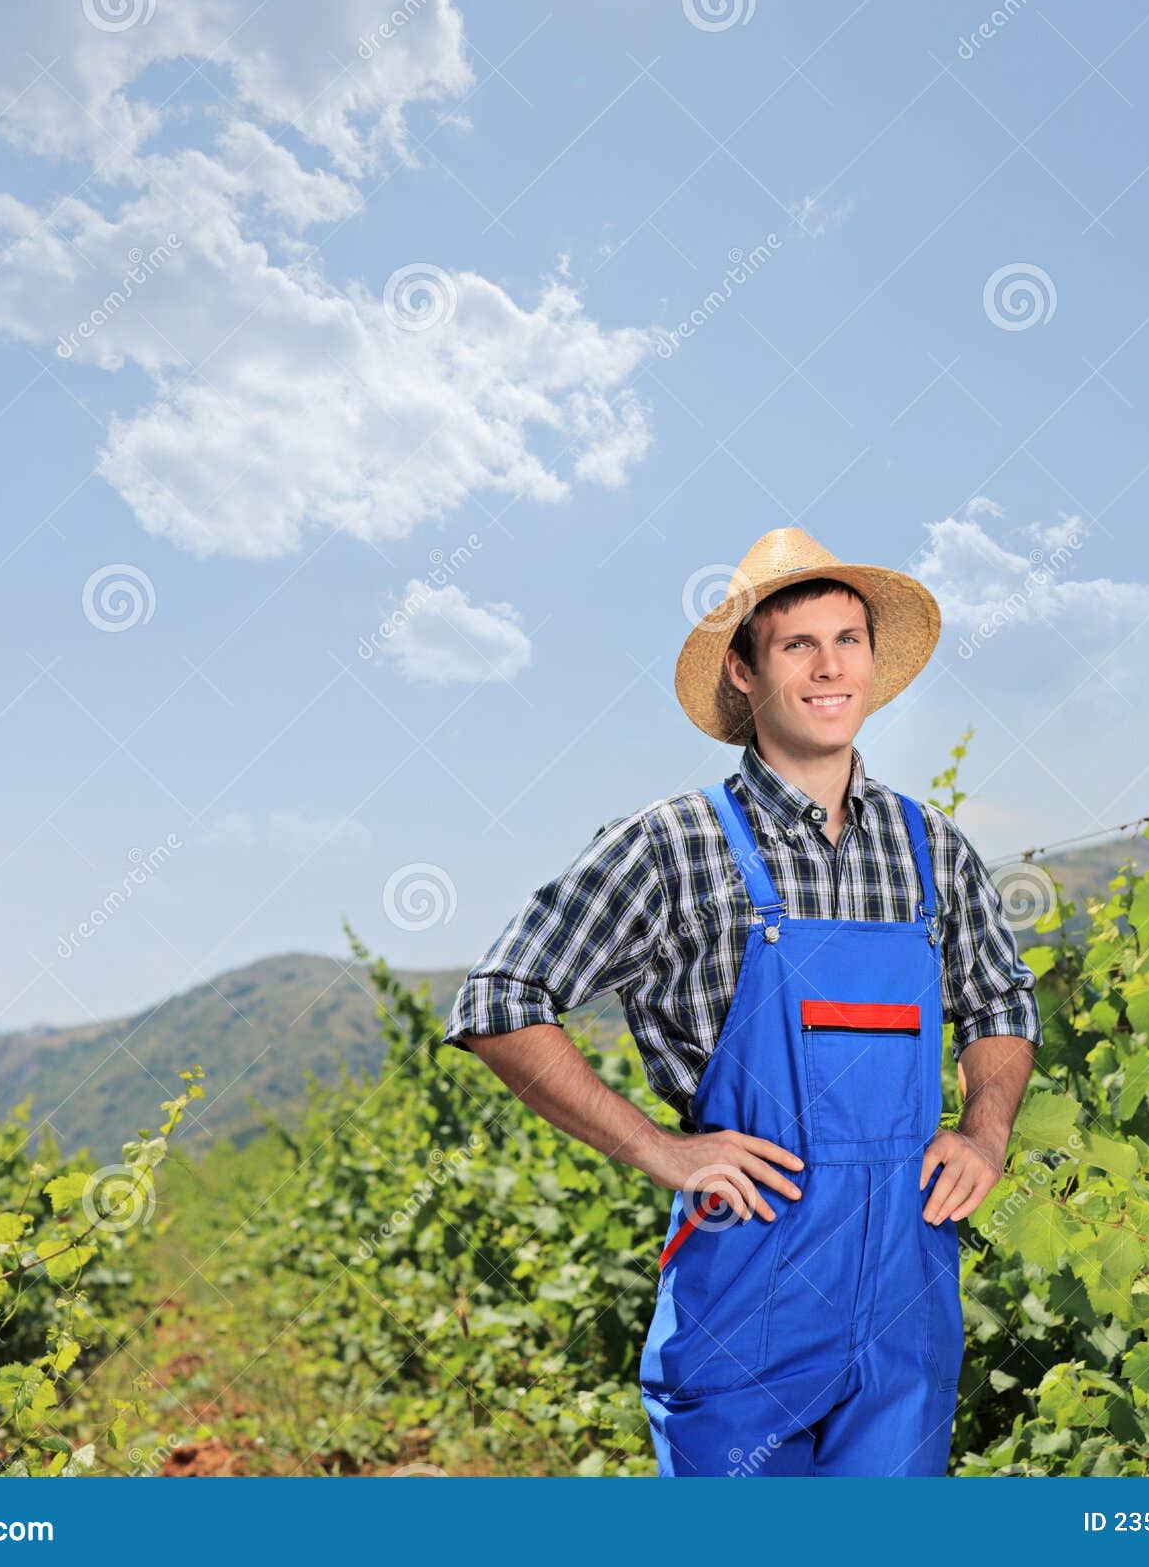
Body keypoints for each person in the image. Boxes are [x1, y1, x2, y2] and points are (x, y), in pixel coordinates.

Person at [441, 525, 1041, 1477]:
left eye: (848, 639)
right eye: (798, 643)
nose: (829, 665)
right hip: (746, 1301)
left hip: (904, 1299)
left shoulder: (932, 847)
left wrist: (986, 1131)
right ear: (743, 670)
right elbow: (502, 998)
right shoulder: (675, 844)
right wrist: (656, 1147)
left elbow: (1002, 1003)